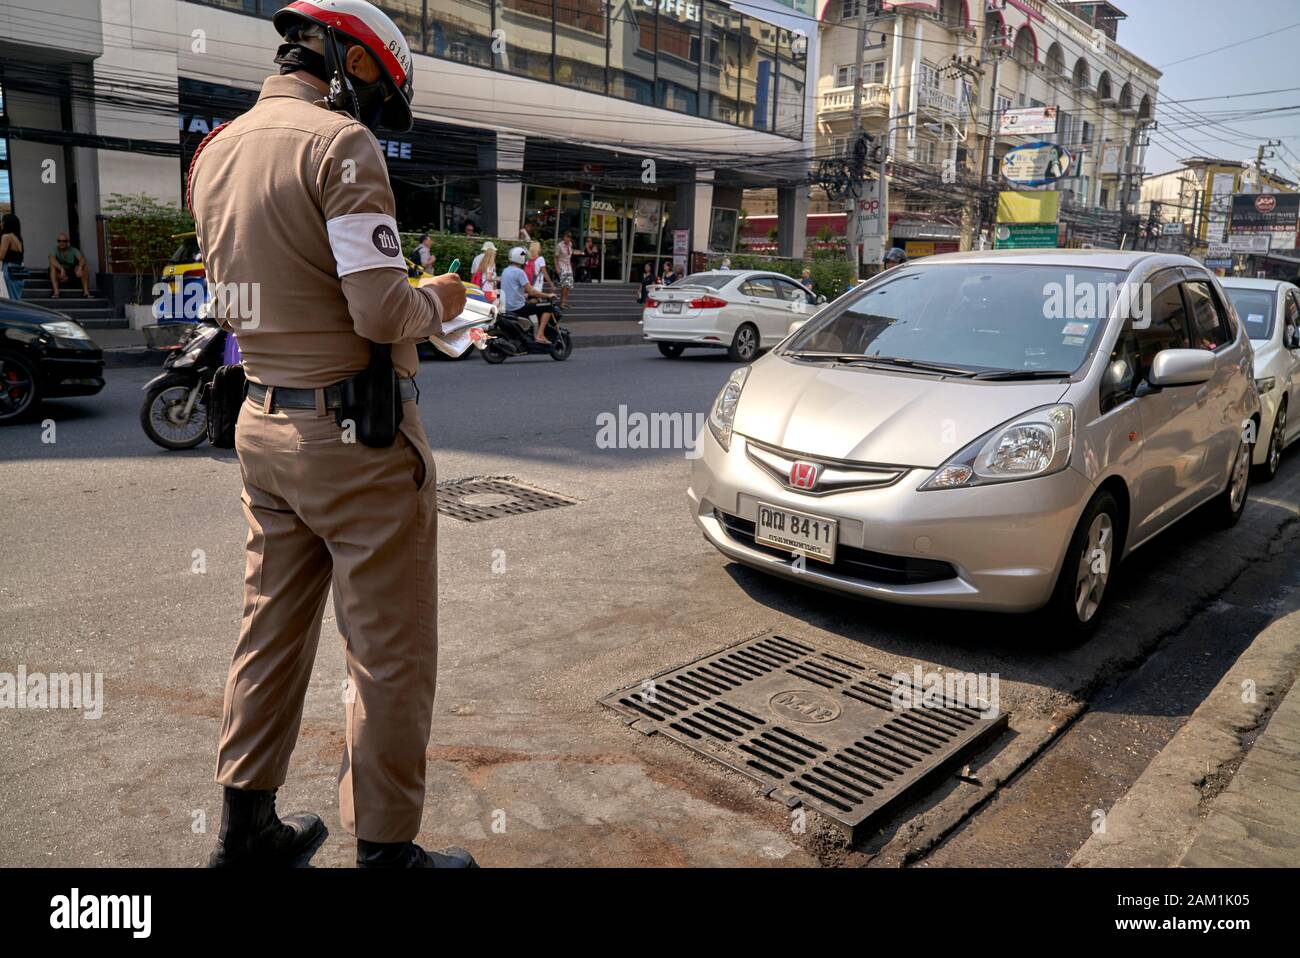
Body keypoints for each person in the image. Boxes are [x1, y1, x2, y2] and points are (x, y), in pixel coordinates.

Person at [189, 0, 475, 870]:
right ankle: (388, 853)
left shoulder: (214, 153)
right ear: (351, 65)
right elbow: (382, 308)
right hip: (355, 440)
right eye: (375, 92)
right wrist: (445, 301)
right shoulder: (338, 148)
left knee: (268, 627)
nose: (371, 114)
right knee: (386, 650)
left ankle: (248, 831)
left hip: (263, 426)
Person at [501, 245, 553, 343]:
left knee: (532, 305)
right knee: (548, 307)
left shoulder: (505, 270)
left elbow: (514, 288)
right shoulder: (519, 272)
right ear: (520, 258)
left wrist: (524, 295)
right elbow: (531, 291)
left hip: (506, 307)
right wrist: (548, 295)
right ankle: (540, 335)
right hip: (518, 307)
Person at [48, 233, 92, 298]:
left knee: (84, 267)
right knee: (52, 266)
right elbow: (52, 259)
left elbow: (82, 259)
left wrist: (80, 268)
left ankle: (86, 292)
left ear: (67, 242)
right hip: (59, 270)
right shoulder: (55, 249)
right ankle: (56, 292)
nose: (61, 243)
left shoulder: (73, 250)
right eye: (59, 241)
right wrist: (61, 269)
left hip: (70, 271)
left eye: (64, 241)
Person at [0, 214, 24, 300]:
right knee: (17, 299)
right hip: (19, 271)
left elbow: (1, 256)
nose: (1, 224)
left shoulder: (6, 237)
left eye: (2, 222)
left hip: (9, 271)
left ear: (7, 224)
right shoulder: (18, 238)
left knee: (11, 302)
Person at [555, 230, 575, 308]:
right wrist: (557, 268)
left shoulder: (570, 244)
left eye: (570, 237)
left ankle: (565, 302)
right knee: (564, 285)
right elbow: (555, 257)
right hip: (562, 266)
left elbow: (569, 255)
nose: (568, 239)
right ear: (564, 237)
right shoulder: (559, 245)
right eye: (567, 237)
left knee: (568, 285)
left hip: (568, 267)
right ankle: (562, 303)